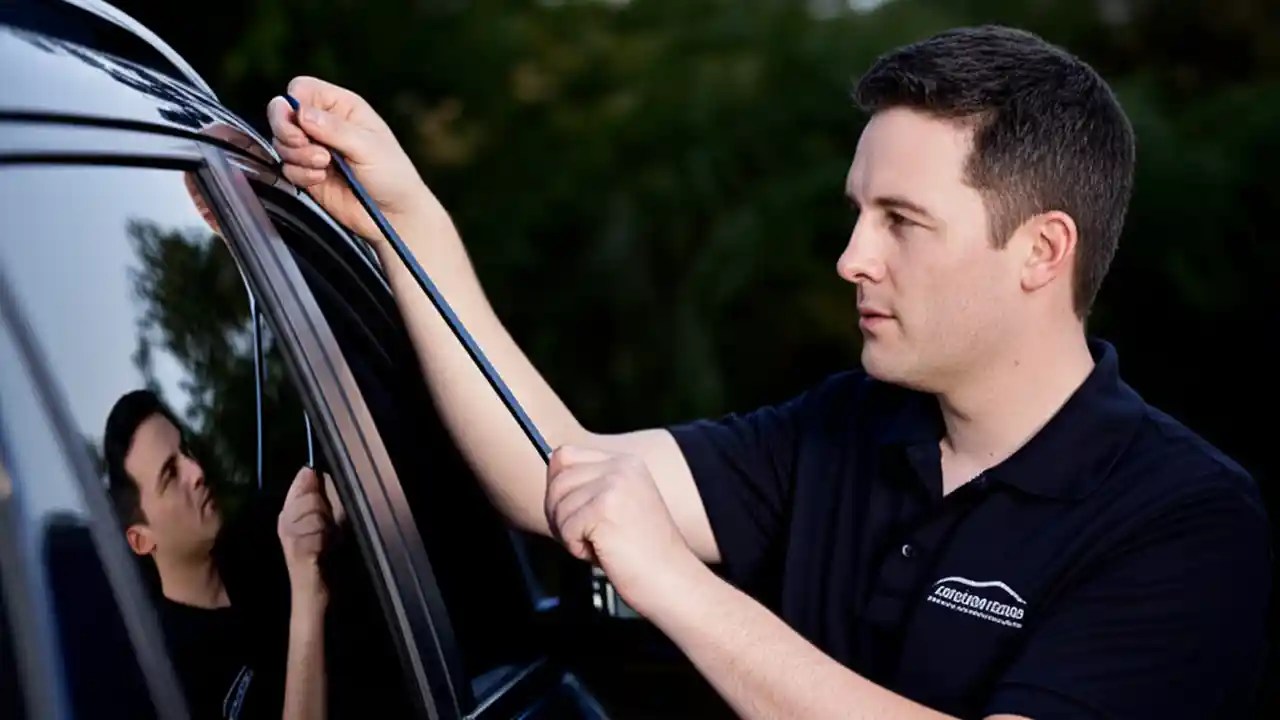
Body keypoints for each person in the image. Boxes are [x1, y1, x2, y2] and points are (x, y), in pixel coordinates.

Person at [266, 24, 1272, 719]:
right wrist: (407, 226)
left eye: (901, 222)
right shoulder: (844, 426)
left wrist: (672, 583)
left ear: (1040, 252)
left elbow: (641, 547)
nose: (850, 258)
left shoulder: (1182, 522)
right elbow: (559, 477)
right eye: (856, 210)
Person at [103, 389, 333, 720]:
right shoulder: (169, 685)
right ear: (141, 540)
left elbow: (353, 492)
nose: (196, 471)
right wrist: (306, 590)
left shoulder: (267, 529)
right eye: (170, 474)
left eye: (186, 450)